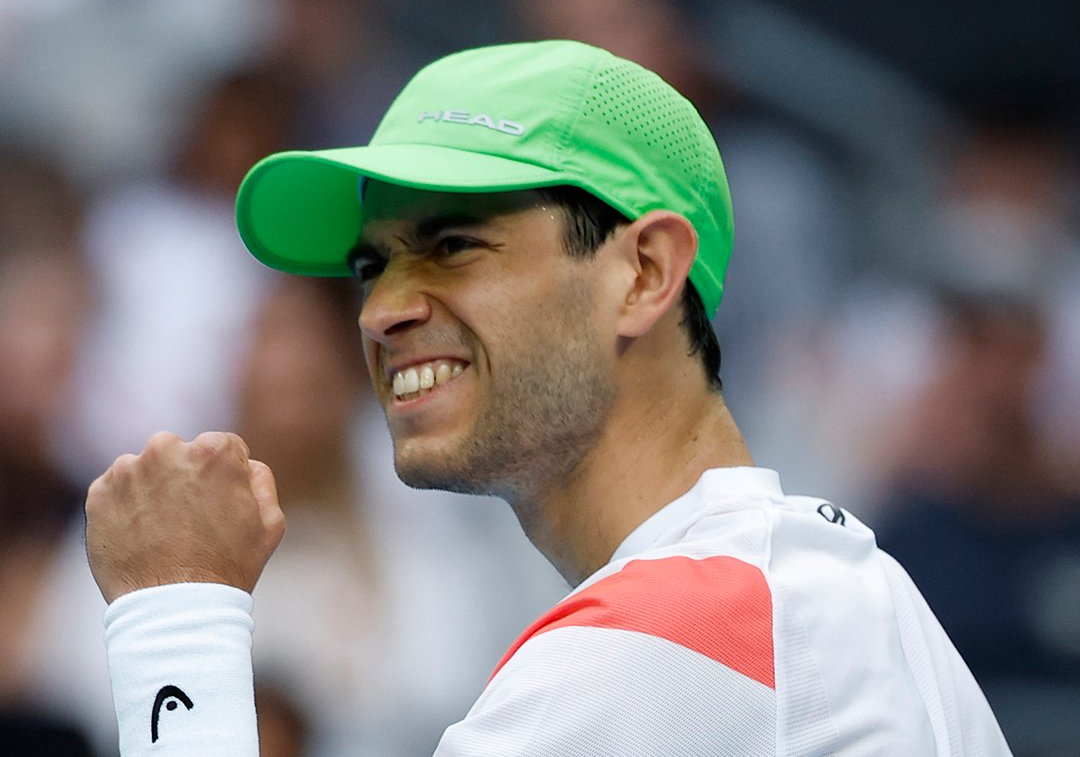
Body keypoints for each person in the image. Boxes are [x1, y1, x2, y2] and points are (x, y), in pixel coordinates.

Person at [84, 40, 1013, 756]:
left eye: (451, 243)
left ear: (644, 272)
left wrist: (178, 614)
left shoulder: (683, 629)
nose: (379, 311)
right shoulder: (851, 588)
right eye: (372, 265)